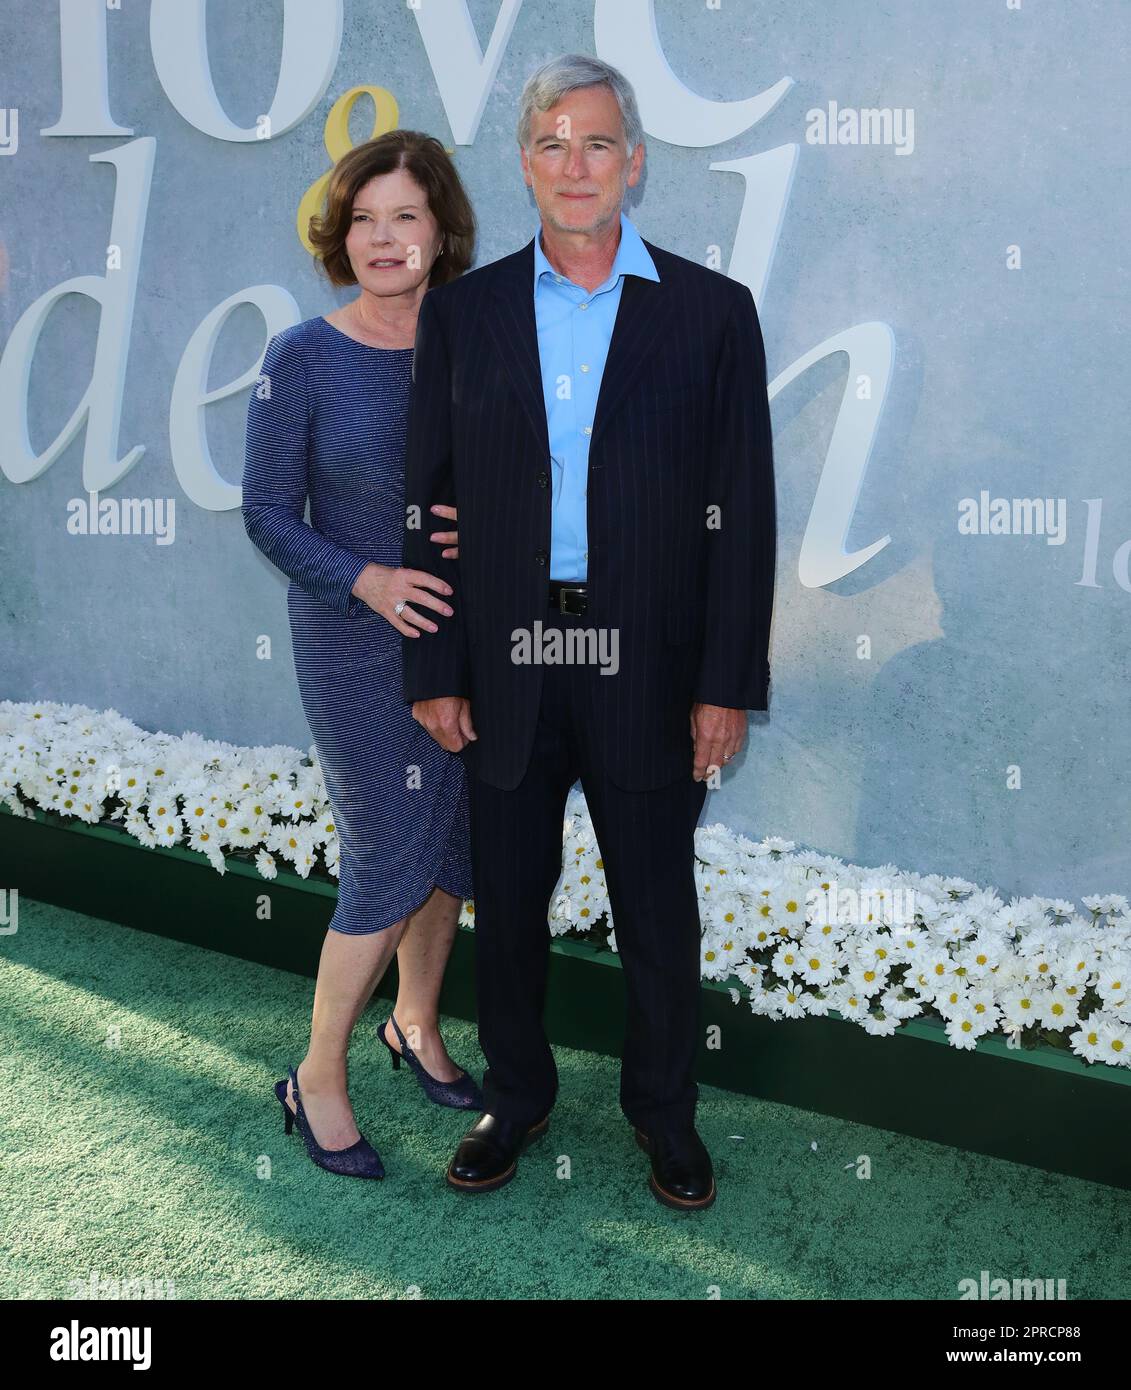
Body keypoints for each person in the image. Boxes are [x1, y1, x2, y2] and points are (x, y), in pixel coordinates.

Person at [402, 56, 777, 1210]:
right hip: (509, 662)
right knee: (509, 903)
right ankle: (514, 1100)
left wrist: (724, 681)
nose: (577, 165)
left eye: (599, 143)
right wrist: (435, 663)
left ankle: (666, 1114)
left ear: (636, 163)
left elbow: (744, 509)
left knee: (658, 907)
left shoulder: (713, 312)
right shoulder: (463, 314)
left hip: (651, 670)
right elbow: (427, 495)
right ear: (525, 164)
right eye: (554, 144)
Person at [242, 131, 483, 1180]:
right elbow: (263, 514)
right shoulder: (302, 356)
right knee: (387, 858)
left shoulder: (476, 342)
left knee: (456, 853)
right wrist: (370, 580)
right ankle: (319, 1070)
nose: (384, 238)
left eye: (406, 217)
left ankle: (417, 1022)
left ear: (440, 233)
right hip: (350, 645)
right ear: (342, 237)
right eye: (365, 219)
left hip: (466, 642)